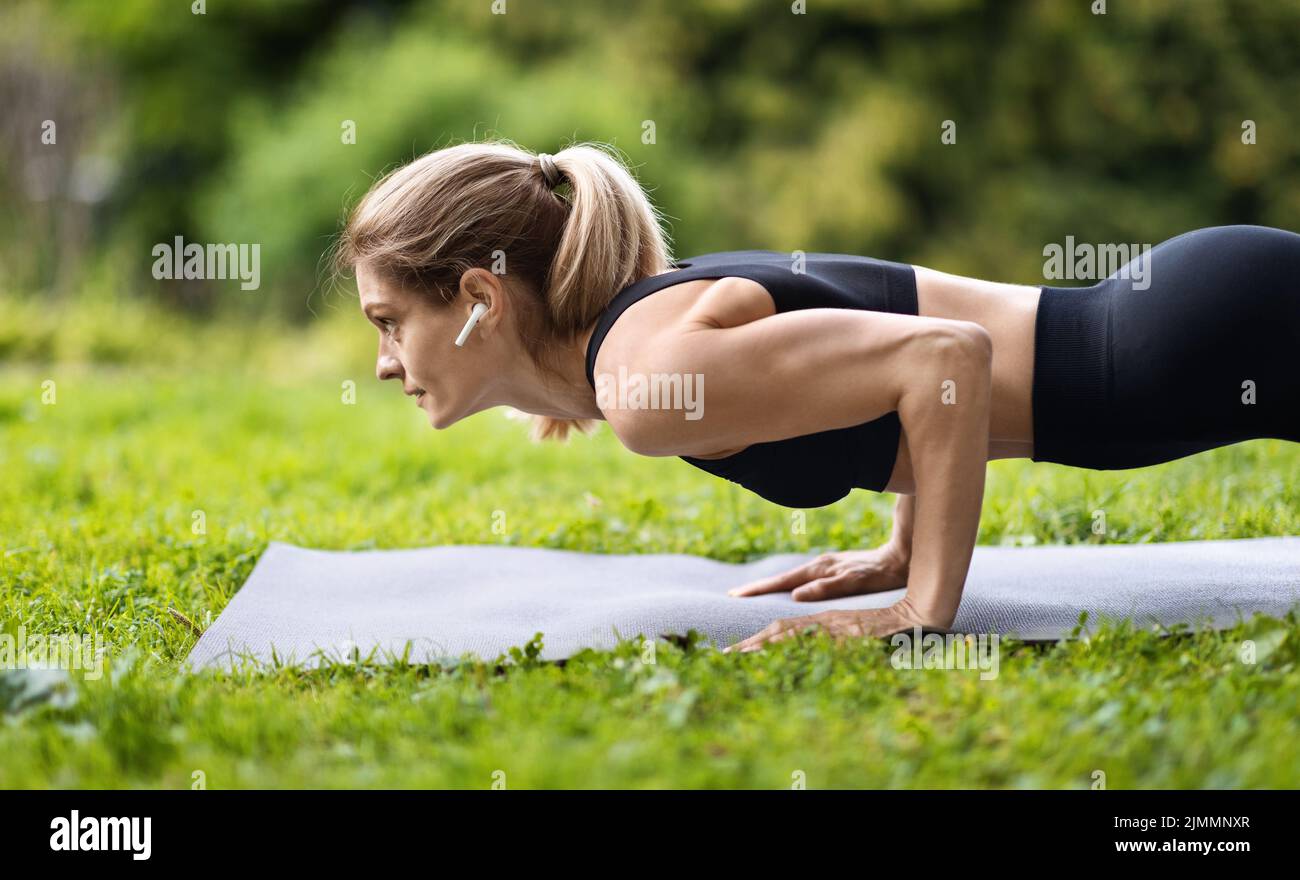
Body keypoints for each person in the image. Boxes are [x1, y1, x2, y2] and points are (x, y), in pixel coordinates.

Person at [332, 138, 1300, 653]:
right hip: (1189, 331)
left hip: (1200, 341)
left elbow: (946, 362)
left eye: (389, 321)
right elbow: (905, 363)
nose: (383, 361)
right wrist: (898, 547)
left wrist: (923, 608)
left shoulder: (643, 380)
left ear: (475, 299)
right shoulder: (639, 346)